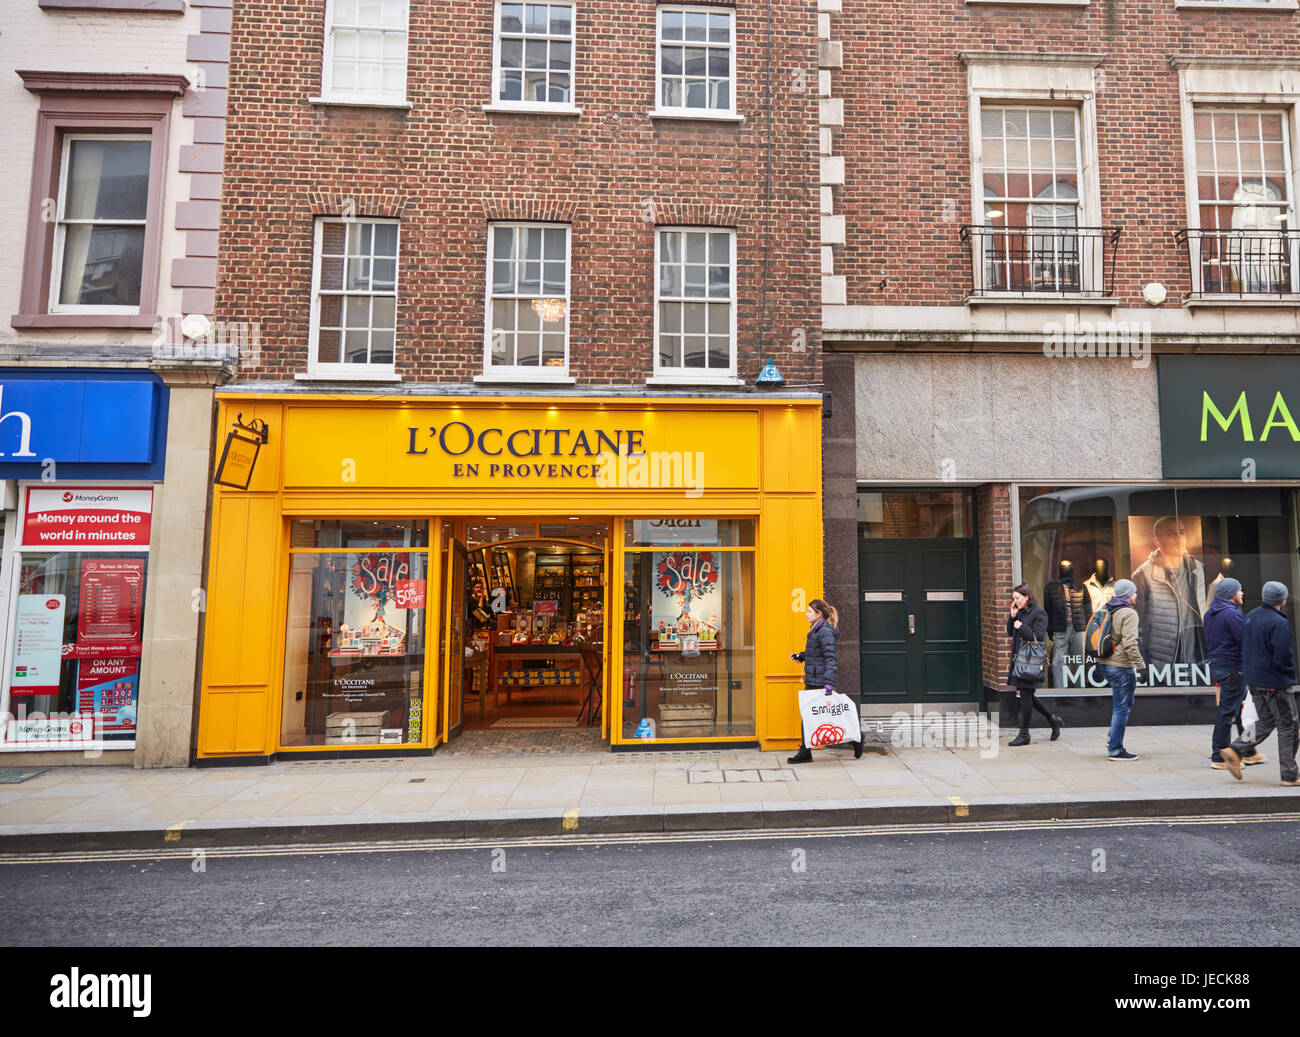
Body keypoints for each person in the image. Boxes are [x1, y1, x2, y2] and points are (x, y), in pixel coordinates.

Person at [1219, 581, 1299, 785]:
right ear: (1282, 600)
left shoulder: (1251, 617)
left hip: (1255, 680)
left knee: (1266, 720)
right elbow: (1283, 655)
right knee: (1289, 726)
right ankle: (1289, 774)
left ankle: (1236, 749)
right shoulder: (1279, 622)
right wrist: (1290, 671)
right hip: (1275, 682)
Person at [788, 598, 862, 764]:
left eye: (809, 611)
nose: (806, 614)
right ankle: (806, 751)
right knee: (815, 715)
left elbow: (830, 658)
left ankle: (855, 739)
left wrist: (828, 683)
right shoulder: (816, 629)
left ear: (818, 614)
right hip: (813, 678)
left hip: (820, 681)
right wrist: (802, 656)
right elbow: (816, 653)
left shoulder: (825, 631)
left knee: (821, 715)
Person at [1132, 516, 1208, 675]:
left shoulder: (1197, 569)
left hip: (1196, 659)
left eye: (1182, 532)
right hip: (1161, 663)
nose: (1179, 538)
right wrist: (1143, 667)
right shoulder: (1144, 575)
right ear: (1157, 541)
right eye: (1172, 534)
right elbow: (1138, 627)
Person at [1204, 578, 1265, 773]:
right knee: (1228, 712)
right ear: (1231, 593)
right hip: (1234, 667)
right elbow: (1246, 640)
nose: (1242, 593)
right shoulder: (1231, 614)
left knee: (1239, 710)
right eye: (1240, 590)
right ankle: (1219, 755)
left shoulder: (1211, 613)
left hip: (1220, 665)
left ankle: (1248, 751)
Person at [1006, 584, 1059, 746]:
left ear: (1027, 597)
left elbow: (1037, 637)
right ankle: (1052, 719)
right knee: (1027, 696)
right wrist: (1013, 617)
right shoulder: (1020, 612)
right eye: (1013, 598)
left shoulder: (1039, 613)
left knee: (1026, 696)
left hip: (1030, 661)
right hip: (1019, 660)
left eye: (1018, 598)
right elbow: (1010, 632)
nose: (1015, 601)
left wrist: (1021, 626)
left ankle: (1024, 734)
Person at [1096, 578, 1143, 760]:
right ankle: (1115, 749)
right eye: (1134, 592)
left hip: (1106, 663)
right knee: (1121, 708)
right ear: (1128, 595)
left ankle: (1112, 738)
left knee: (1125, 704)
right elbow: (1130, 644)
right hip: (1121, 666)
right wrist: (1141, 666)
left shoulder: (1109, 608)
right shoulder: (1129, 613)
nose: (1136, 594)